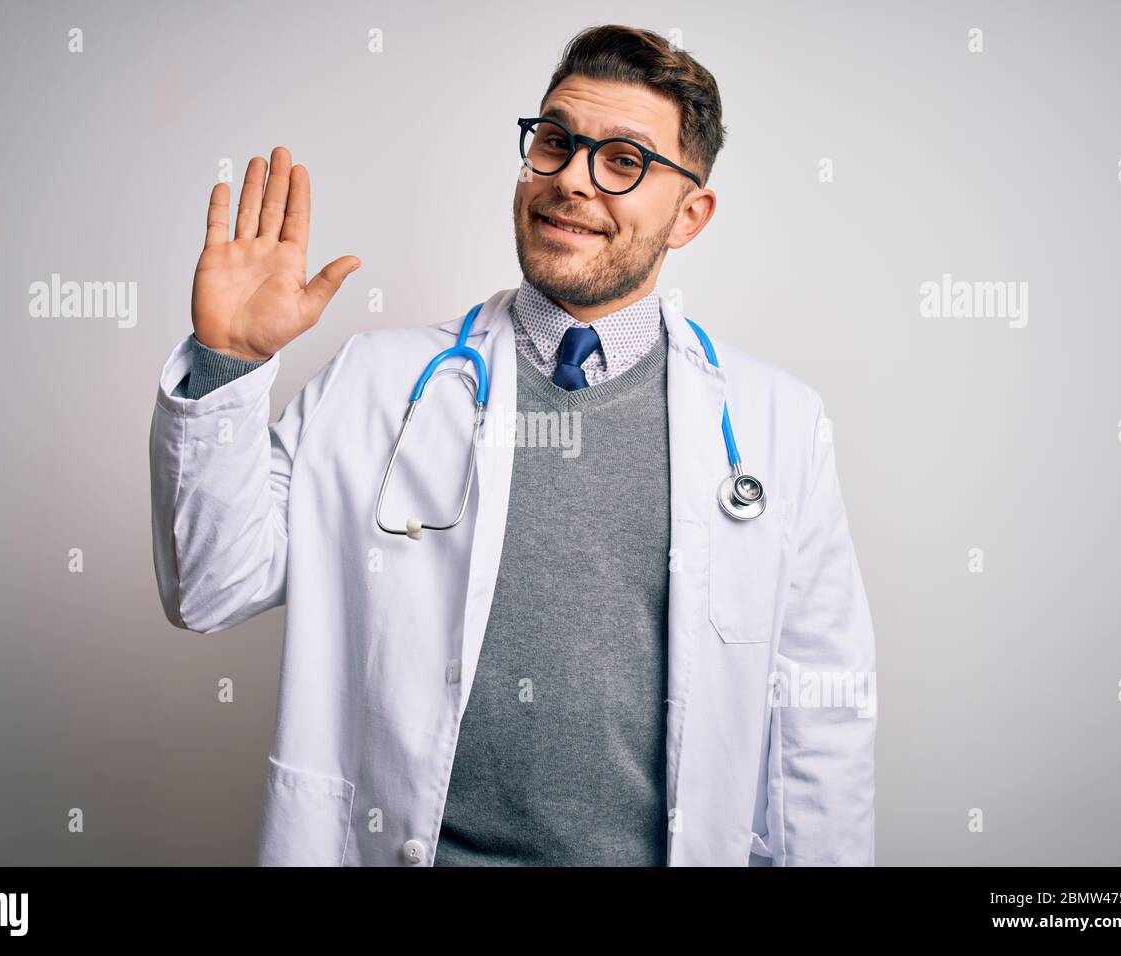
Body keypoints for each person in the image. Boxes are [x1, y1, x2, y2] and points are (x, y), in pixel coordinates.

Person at [149, 23, 876, 866]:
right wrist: (228, 362)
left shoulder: (777, 425)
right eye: (557, 143)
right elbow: (209, 586)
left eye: (623, 160)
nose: (571, 179)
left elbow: (821, 722)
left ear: (690, 215)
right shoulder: (380, 383)